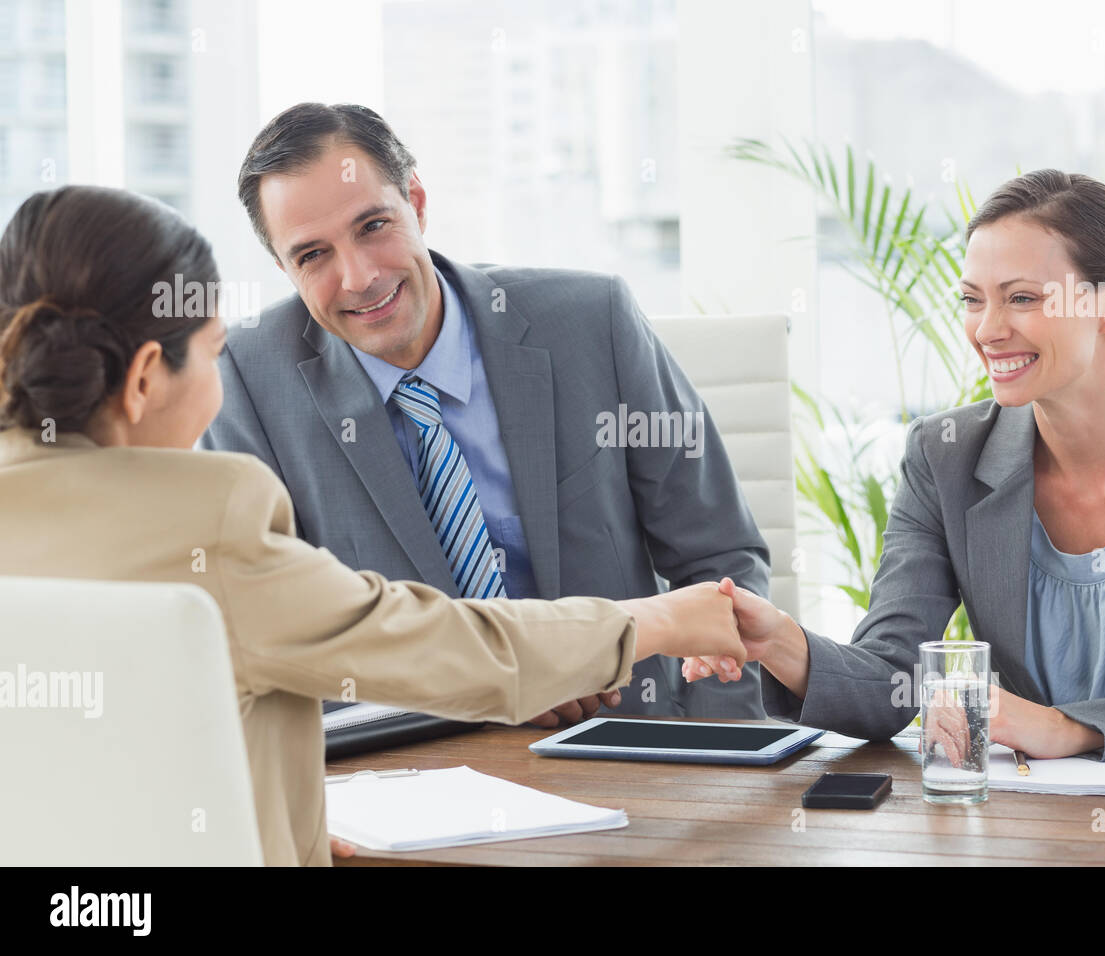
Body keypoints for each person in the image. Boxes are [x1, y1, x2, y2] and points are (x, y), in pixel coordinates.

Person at [0, 184, 747, 866]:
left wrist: (261, 818)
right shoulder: (207, 517)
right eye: (213, 354)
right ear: (140, 381)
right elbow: (443, 647)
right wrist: (657, 621)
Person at [686, 169, 1105, 762]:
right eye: (972, 301)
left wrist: (1068, 729)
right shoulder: (946, 456)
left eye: (1022, 298)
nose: (986, 330)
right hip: (1024, 820)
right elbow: (893, 677)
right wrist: (783, 645)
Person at [201, 102, 770, 724]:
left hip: (628, 739)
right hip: (411, 766)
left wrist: (718, 747)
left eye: (373, 226)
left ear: (416, 203)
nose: (359, 277)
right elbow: (271, 631)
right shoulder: (245, 380)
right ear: (283, 267)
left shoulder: (591, 321)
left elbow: (719, 556)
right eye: (312, 255)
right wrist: (510, 679)